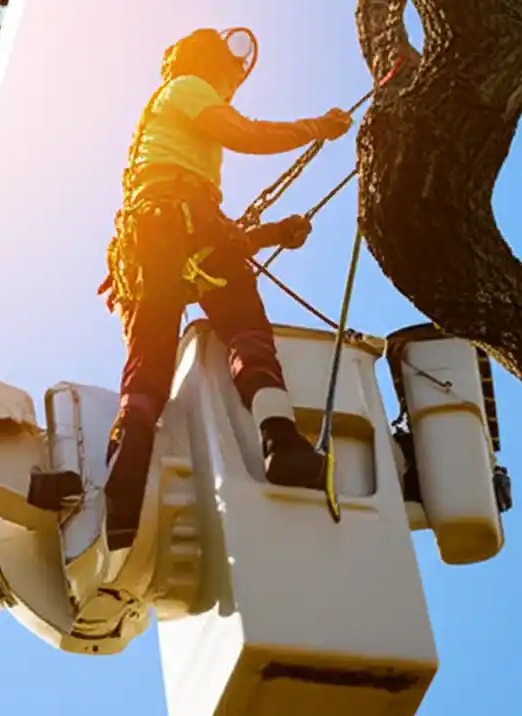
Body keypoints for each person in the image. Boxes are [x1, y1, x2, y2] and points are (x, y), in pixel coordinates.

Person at [97, 27, 354, 551]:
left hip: (154, 239)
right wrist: (316, 128)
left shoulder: (161, 144)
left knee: (150, 359)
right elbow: (246, 136)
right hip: (182, 222)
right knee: (245, 328)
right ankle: (281, 442)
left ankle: (124, 487)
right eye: (230, 74)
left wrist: (274, 233)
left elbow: (210, 241)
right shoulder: (189, 86)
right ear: (209, 64)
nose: (231, 87)